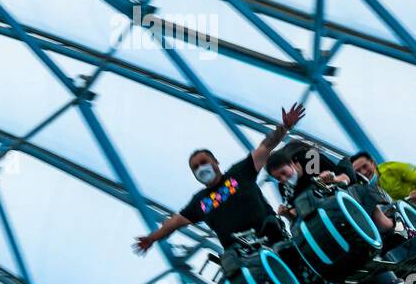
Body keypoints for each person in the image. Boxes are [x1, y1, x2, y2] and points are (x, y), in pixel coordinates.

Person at [132, 102, 306, 255]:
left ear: (215, 162)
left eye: (203, 162)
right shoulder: (201, 202)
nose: (200, 168)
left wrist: (284, 127)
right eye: (195, 167)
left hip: (272, 237)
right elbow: (174, 222)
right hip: (244, 255)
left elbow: (265, 147)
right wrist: (151, 238)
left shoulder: (240, 173)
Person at [269, 140, 395, 235]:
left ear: (292, 163)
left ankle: (395, 226)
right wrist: (286, 214)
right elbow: (297, 213)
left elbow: (345, 178)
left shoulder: (311, 160)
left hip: (343, 195)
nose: (283, 179)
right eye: (279, 178)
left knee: (363, 200)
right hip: (325, 216)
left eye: (284, 173)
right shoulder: (284, 187)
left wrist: (333, 179)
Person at [351, 151, 416, 203]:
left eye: (365, 166)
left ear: (373, 163)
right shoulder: (362, 188)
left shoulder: (392, 168)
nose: (364, 172)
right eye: (358, 171)